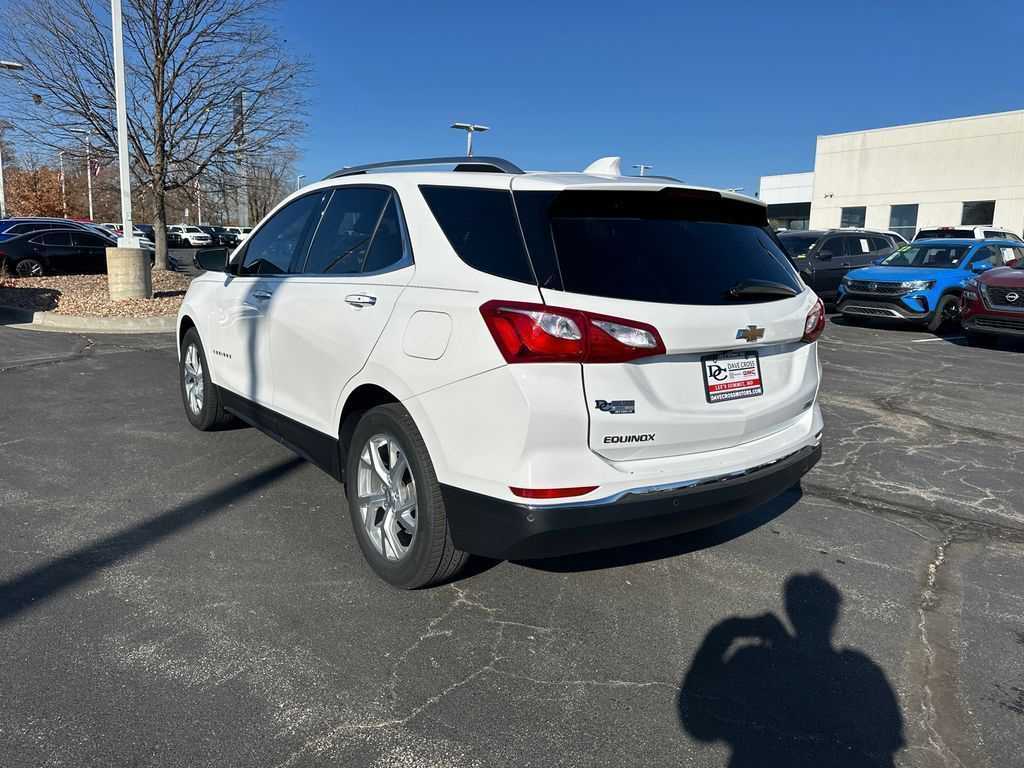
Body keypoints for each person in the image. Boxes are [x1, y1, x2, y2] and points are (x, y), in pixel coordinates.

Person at [678, 573, 904, 768]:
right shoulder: (863, 670)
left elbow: (698, 724)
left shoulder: (751, 658)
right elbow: (889, 737)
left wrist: (733, 628)